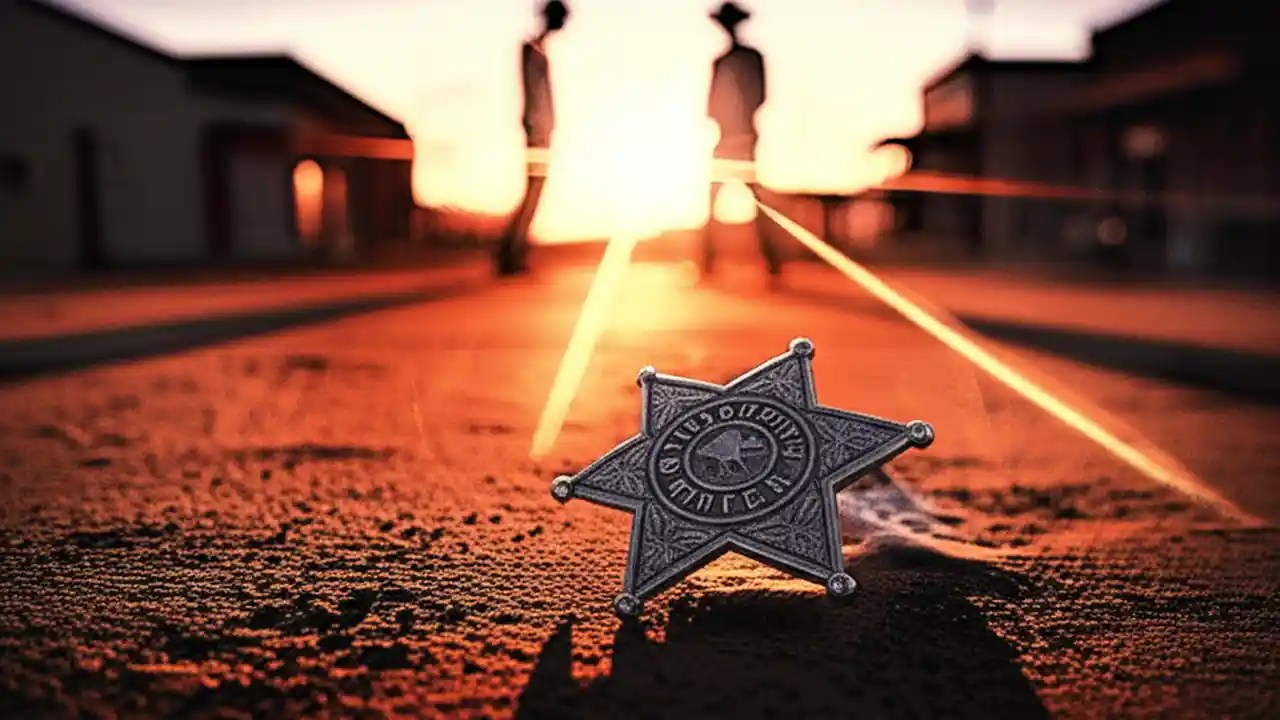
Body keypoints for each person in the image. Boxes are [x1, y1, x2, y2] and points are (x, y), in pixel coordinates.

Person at [703, 1, 780, 277]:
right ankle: (706, 264)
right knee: (712, 200)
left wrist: (741, 126)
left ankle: (771, 262)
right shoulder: (720, 61)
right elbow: (709, 105)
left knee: (756, 200)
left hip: (745, 138)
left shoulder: (750, 58)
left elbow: (760, 96)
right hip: (724, 140)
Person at [495, 0, 569, 276]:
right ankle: (510, 252)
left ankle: (515, 250)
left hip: (544, 134)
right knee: (532, 194)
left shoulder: (541, 51)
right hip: (537, 134)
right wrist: (535, 129)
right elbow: (531, 96)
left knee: (534, 195)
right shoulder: (532, 50)